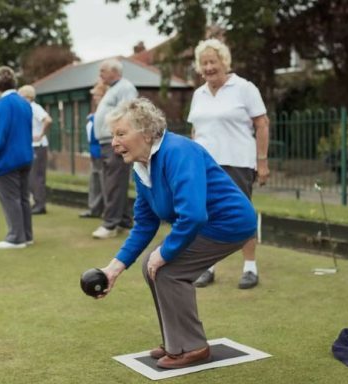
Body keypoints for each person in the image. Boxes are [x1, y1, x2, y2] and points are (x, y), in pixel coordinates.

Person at [97, 98, 258, 369]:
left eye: (121, 134)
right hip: (205, 223)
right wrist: (114, 269)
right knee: (153, 265)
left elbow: (194, 214)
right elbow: (145, 223)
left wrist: (166, 253)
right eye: (113, 135)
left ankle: (192, 347)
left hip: (230, 224)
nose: (114, 142)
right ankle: (176, 339)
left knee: (168, 270)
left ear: (146, 133)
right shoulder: (142, 166)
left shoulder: (178, 151)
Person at [186, 38, 270, 289]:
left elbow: (262, 124)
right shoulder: (198, 94)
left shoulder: (244, 88)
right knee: (206, 215)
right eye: (204, 63)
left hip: (237, 163)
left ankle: (250, 268)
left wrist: (262, 161)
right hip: (205, 165)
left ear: (224, 61)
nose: (209, 67)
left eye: (213, 61)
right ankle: (208, 266)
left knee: (241, 214)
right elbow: (195, 130)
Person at [0, 66, 34, 249]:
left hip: (7, 160)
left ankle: (16, 237)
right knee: (23, 198)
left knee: (10, 198)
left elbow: (0, 134)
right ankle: (27, 235)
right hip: (25, 157)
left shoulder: (2, 105)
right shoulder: (24, 103)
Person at [91, 58, 138, 239]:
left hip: (115, 142)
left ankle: (110, 224)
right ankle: (124, 222)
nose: (100, 74)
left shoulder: (125, 87)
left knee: (114, 183)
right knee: (113, 183)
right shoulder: (113, 89)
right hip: (105, 141)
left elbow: (129, 114)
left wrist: (121, 139)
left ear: (114, 71)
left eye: (103, 71)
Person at [17, 85, 52, 215]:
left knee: (36, 176)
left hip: (39, 146)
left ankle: (40, 205)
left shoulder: (34, 107)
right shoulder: (27, 108)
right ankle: (37, 203)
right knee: (32, 176)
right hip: (33, 146)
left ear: (27, 96)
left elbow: (48, 120)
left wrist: (40, 134)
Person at [79, 80, 109, 219]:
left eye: (97, 94)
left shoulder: (106, 109)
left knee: (105, 182)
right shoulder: (98, 111)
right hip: (94, 152)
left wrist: (93, 118)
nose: (94, 97)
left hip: (102, 150)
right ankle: (94, 209)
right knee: (95, 182)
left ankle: (108, 212)